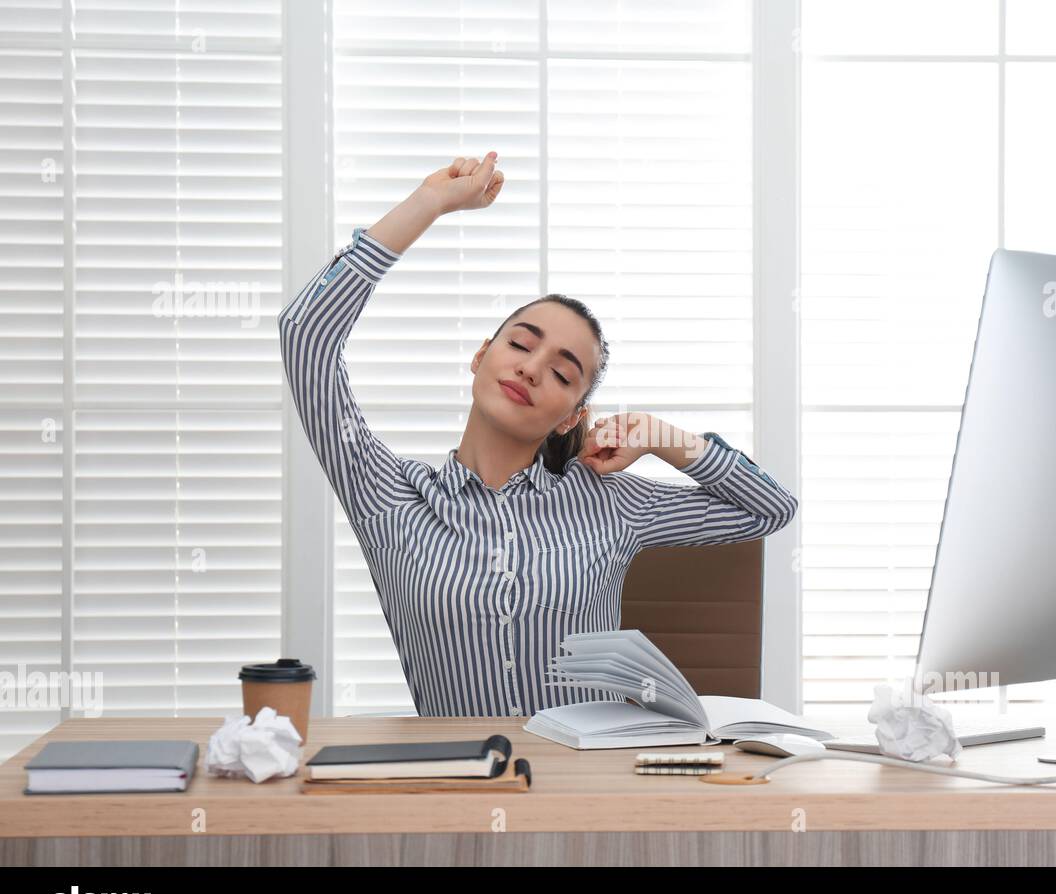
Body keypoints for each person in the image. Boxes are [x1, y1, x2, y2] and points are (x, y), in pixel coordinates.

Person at [278, 151, 798, 717]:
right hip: (467, 783)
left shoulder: (607, 503)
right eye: (522, 345)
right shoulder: (389, 495)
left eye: (562, 371)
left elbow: (770, 508)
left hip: (592, 784)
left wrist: (659, 435)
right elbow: (306, 333)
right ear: (481, 356)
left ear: (571, 415)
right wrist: (430, 203)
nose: (531, 368)